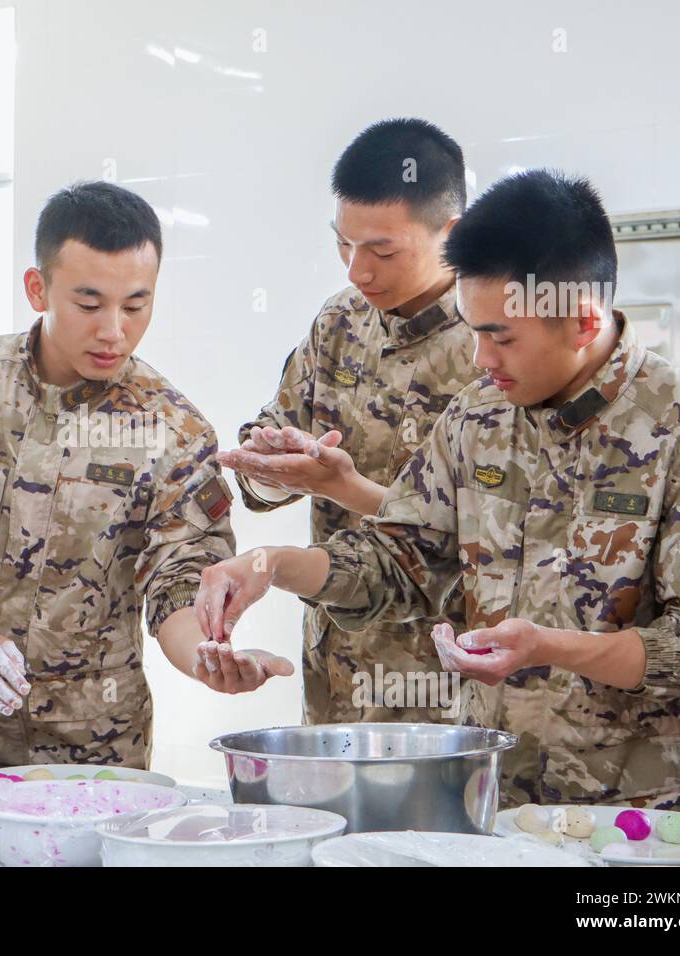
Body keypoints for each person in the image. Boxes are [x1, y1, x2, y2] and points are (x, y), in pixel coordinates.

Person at [196, 169, 680, 808]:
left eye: (499, 336)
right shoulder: (477, 417)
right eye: (471, 327)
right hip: (488, 805)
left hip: (634, 824)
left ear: (581, 321)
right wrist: (269, 566)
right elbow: (401, 560)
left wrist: (550, 648)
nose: (478, 357)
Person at [0, 180, 293, 768]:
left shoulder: (172, 429)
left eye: (136, 305)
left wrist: (206, 656)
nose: (113, 331)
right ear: (37, 288)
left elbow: (179, 584)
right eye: (88, 303)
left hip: (88, 747)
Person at [223, 119, 480, 724]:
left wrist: (342, 487)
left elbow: (496, 539)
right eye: (344, 243)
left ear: (453, 234)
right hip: (336, 669)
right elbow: (264, 458)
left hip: (446, 683)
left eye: (383, 250)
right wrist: (273, 469)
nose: (357, 271)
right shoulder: (340, 323)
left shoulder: (494, 341)